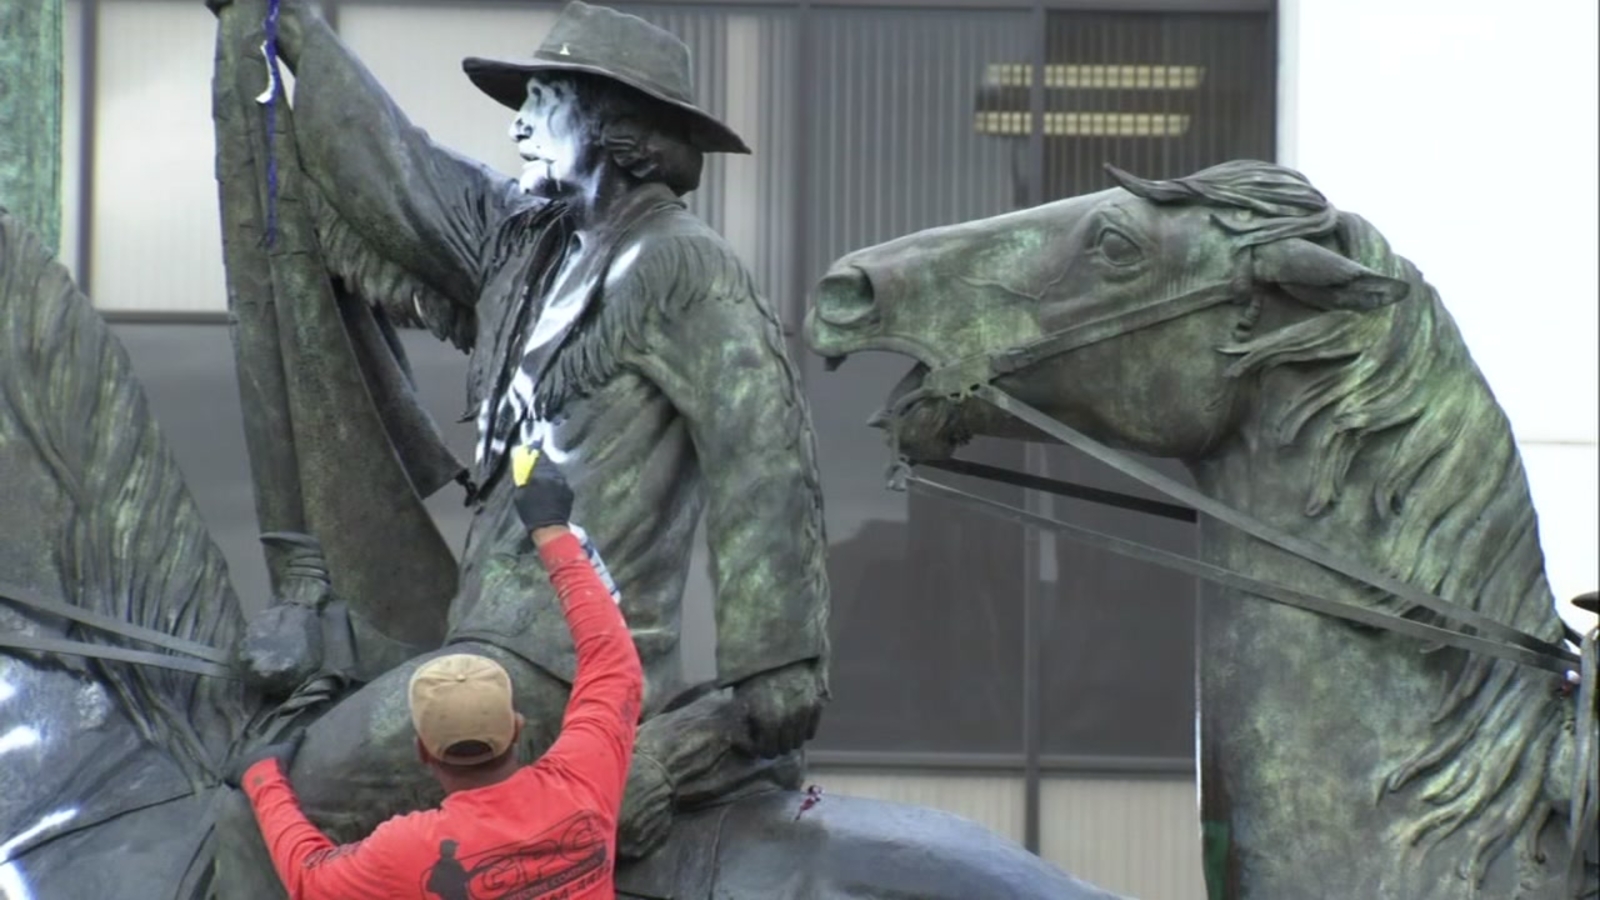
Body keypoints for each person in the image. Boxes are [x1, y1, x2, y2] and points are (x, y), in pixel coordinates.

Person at [206, 0, 830, 860]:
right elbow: (401, 173)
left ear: (613, 127)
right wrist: (291, 31)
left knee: (273, 808)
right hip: (489, 648)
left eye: (544, 101)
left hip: (570, 673)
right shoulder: (523, 247)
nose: (520, 124)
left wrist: (772, 673)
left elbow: (764, 459)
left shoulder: (685, 266)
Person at [224, 453, 643, 899]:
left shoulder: (407, 849)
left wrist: (264, 779)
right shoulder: (581, 781)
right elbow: (613, 665)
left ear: (423, 751)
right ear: (517, 728)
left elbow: (310, 878)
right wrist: (551, 529)